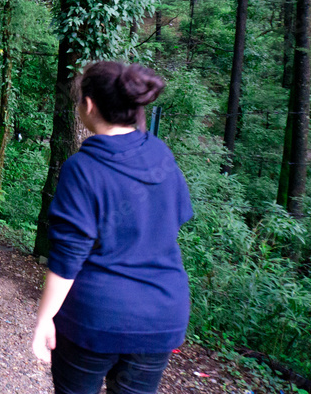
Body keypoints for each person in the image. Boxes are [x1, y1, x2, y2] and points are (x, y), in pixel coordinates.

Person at [31, 61, 193, 394]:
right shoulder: (162, 155)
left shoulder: (83, 168)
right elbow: (171, 221)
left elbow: (67, 259)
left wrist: (44, 319)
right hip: (161, 315)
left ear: (88, 105)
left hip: (95, 318)